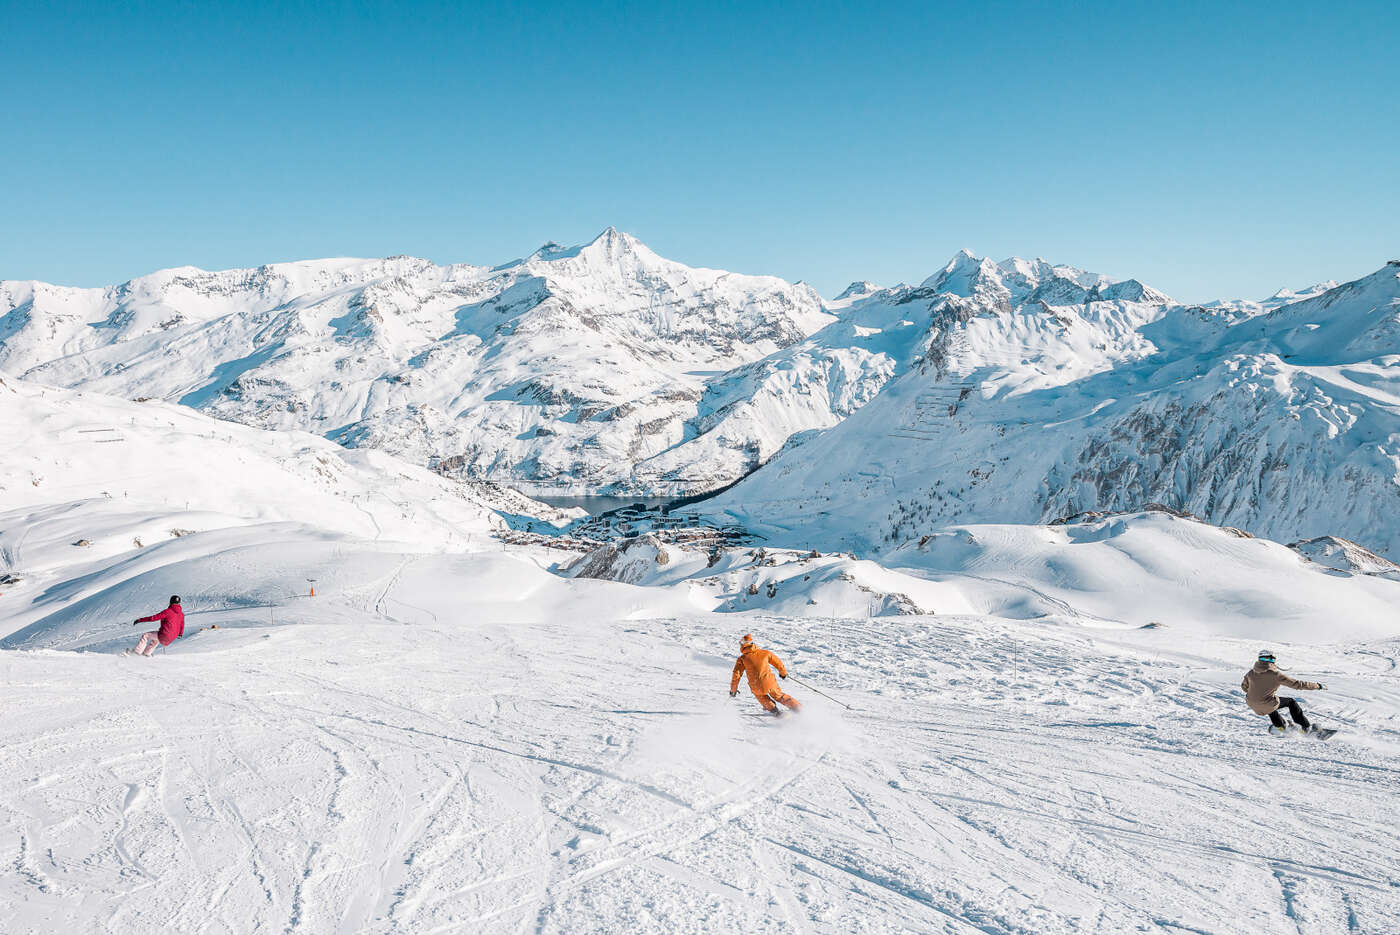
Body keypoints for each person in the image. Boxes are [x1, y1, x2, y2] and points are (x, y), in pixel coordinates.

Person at [1241, 649, 1325, 733]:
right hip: (1266, 703)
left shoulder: (1251, 673)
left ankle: (1281, 727)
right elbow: (1297, 684)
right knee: (1290, 702)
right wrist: (1318, 686)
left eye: (1271, 659)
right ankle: (1305, 727)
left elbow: (1244, 688)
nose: (1270, 661)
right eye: (1268, 659)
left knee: (1269, 704)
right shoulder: (1276, 675)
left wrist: (1257, 692)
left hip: (1251, 703)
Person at [730, 633, 802, 716]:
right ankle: (798, 708)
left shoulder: (742, 659)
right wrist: (783, 673)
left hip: (755, 685)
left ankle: (776, 712)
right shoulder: (765, 653)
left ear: (743, 645)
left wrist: (733, 690)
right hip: (769, 683)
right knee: (779, 696)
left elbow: (736, 675)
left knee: (761, 697)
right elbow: (778, 663)